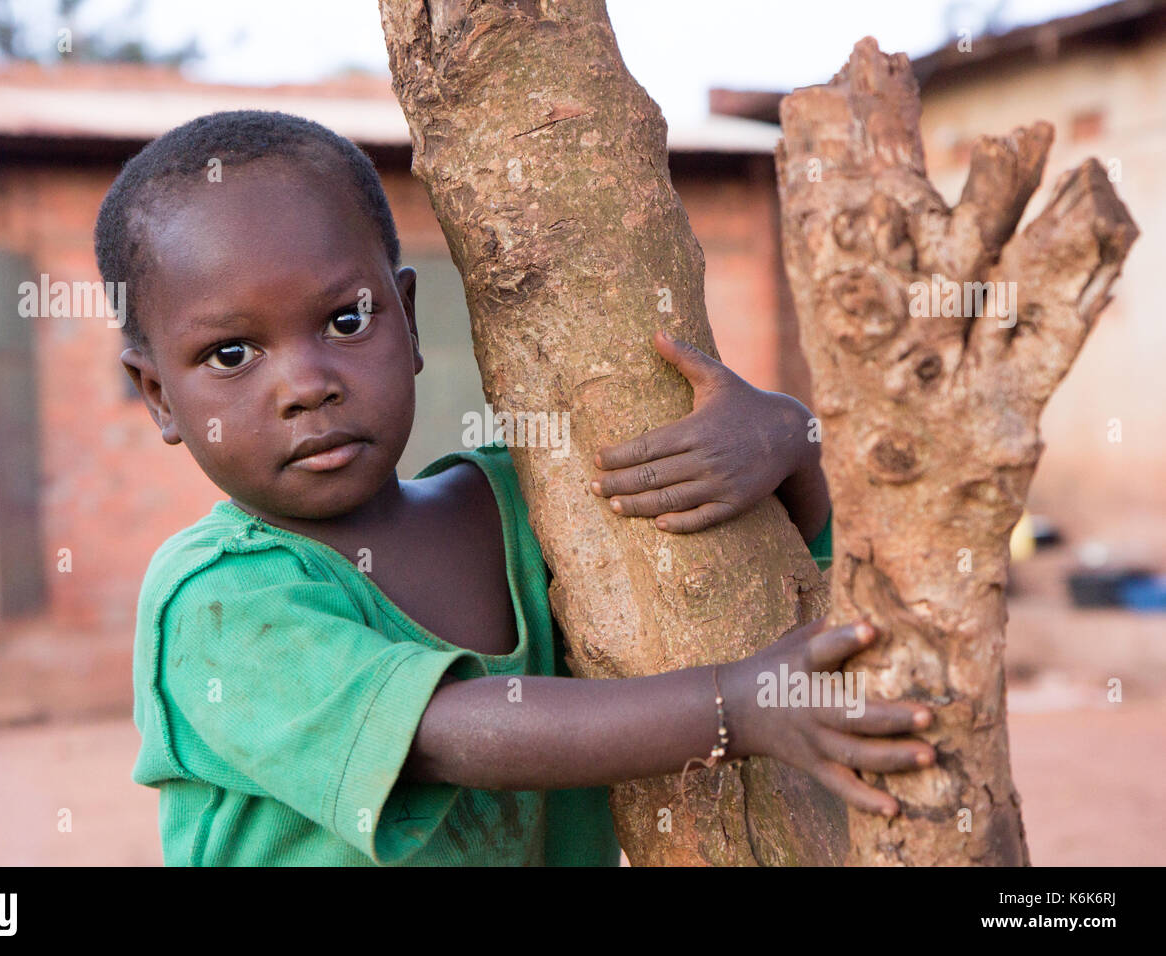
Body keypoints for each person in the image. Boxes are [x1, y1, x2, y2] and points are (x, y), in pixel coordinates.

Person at [94, 110, 935, 866]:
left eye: (346, 320)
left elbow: (779, 571)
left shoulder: (539, 500)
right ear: (161, 397)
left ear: (410, 319)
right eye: (231, 355)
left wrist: (791, 440)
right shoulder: (217, 601)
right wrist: (734, 710)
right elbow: (446, 737)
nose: (306, 384)